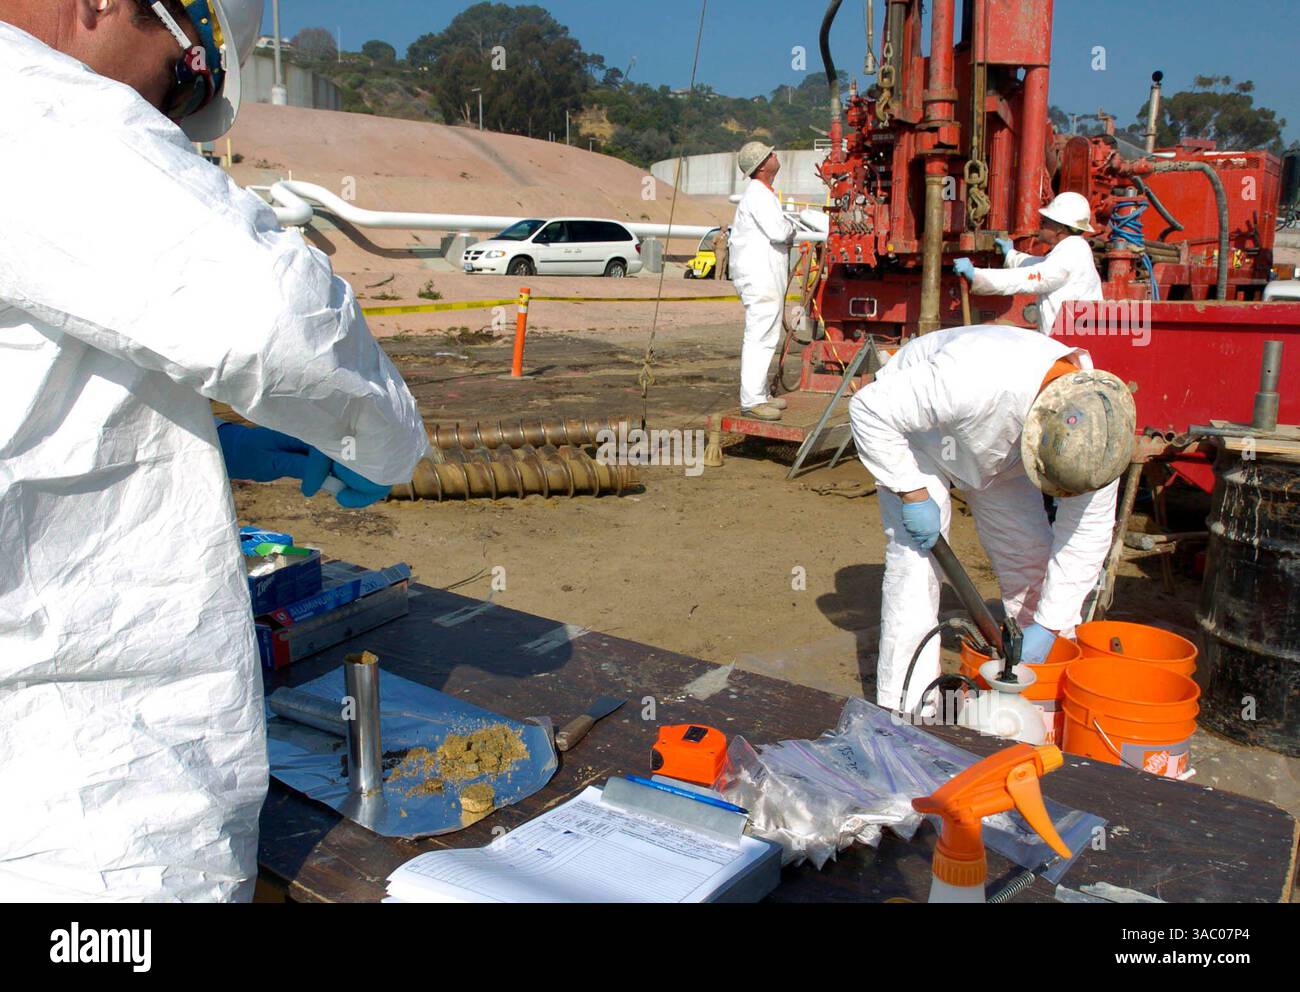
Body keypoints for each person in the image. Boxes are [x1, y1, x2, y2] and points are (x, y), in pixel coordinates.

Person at [0, 0, 429, 901]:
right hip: (79, 809)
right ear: (104, 5)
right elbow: (275, 318)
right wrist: (386, 437)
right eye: (183, 80)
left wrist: (219, 444)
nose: (166, 123)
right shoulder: (35, 103)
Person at [848, 324, 1135, 714]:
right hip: (919, 439)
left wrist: (1051, 625)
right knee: (917, 568)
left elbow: (1086, 533)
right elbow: (869, 407)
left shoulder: (1100, 432)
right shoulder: (972, 380)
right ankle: (907, 708)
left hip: (1003, 455)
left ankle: (1035, 689)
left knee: (1031, 561)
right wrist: (912, 492)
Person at [953, 192, 1103, 336]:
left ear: (1060, 228)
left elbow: (1031, 278)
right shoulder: (1075, 249)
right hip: (1070, 341)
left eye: (1045, 221)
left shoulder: (1069, 256)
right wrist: (1011, 255)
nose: (1040, 224)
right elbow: (1040, 266)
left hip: (1067, 348)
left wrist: (976, 275)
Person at [730, 141, 797, 421]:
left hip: (765, 275)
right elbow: (779, 232)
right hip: (759, 277)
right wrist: (794, 226)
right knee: (760, 335)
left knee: (767, 334)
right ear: (762, 166)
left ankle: (759, 394)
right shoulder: (758, 194)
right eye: (770, 154)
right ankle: (752, 400)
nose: (775, 155)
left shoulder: (763, 194)